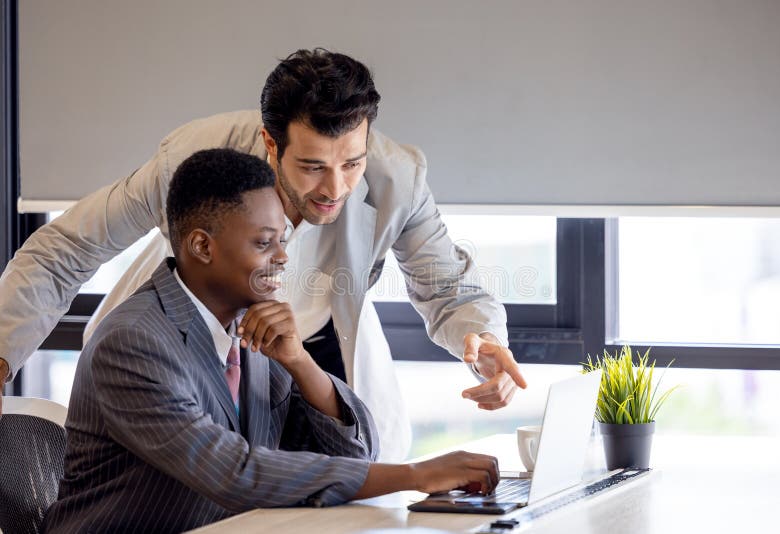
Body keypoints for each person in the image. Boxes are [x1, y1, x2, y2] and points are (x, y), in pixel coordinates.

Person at [0, 48, 527, 460]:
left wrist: (481, 339)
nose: (335, 188)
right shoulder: (194, 160)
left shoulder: (400, 178)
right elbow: (65, 248)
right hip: (189, 348)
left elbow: (447, 288)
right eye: (313, 166)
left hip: (314, 351)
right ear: (271, 145)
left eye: (353, 164)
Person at [42, 149, 499, 533]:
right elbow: (235, 472)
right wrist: (414, 475)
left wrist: (299, 361)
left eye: (282, 239)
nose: (283, 257)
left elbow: (352, 452)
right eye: (265, 243)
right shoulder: (133, 343)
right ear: (202, 247)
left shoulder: (251, 324)